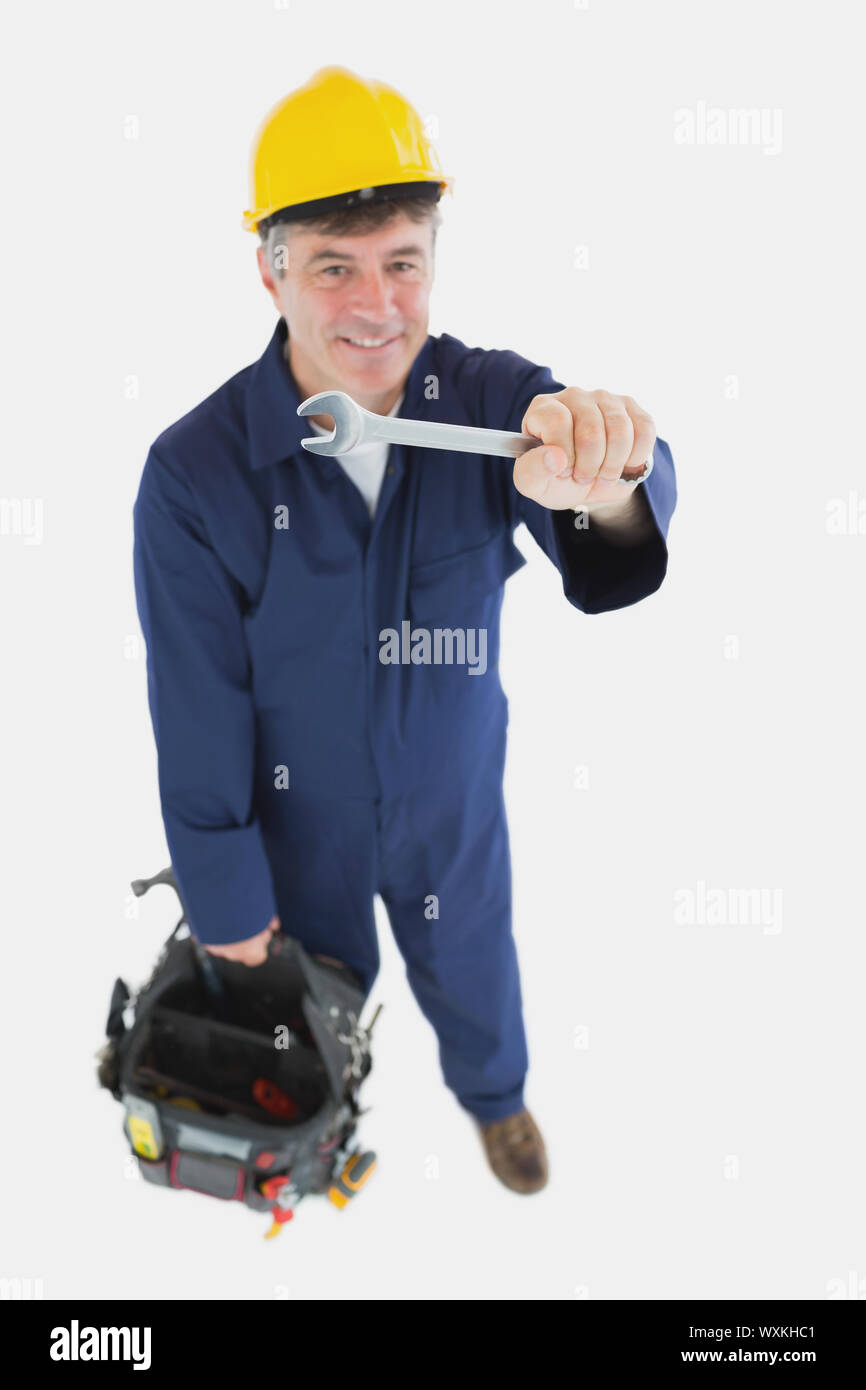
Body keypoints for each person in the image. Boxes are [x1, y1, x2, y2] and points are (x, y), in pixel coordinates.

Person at [133, 66, 677, 1194]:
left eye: (401, 263)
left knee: (474, 968)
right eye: (333, 267)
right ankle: (316, 1120)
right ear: (269, 268)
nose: (375, 306)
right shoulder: (193, 475)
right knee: (300, 1014)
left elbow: (609, 505)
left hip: (450, 804)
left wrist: (608, 473)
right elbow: (195, 709)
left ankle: (497, 1102)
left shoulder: (488, 402)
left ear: (432, 259)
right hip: (294, 831)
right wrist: (229, 908)